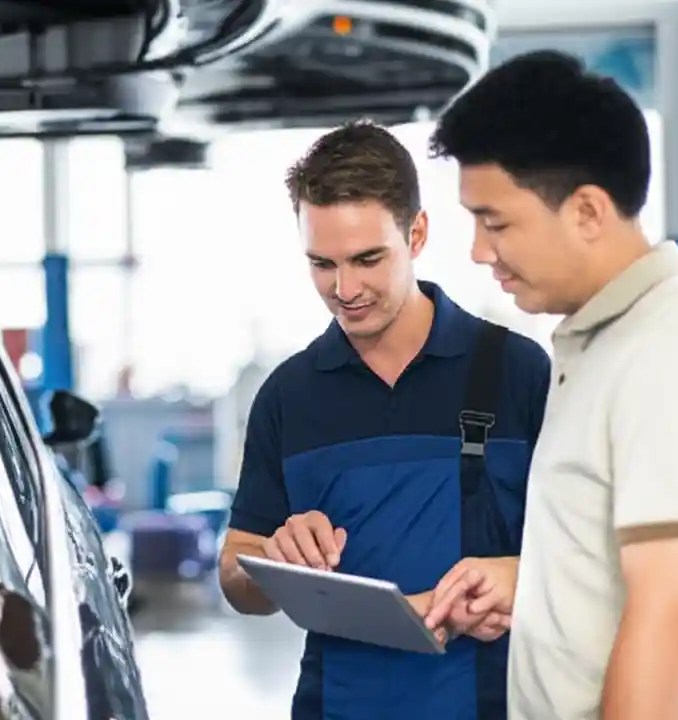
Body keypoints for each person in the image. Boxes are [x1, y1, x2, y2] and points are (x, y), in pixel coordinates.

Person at [424, 50, 678, 720]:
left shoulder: (668, 357)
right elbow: (626, 563)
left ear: (585, 211)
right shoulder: (603, 346)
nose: (478, 251)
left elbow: (670, 618)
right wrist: (538, 583)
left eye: (495, 222)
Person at [217, 120, 552, 719]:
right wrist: (275, 557)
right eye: (322, 264)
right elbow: (235, 575)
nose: (344, 289)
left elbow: (585, 552)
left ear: (417, 233)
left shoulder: (517, 372)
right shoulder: (288, 396)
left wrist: (523, 575)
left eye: (368, 259)